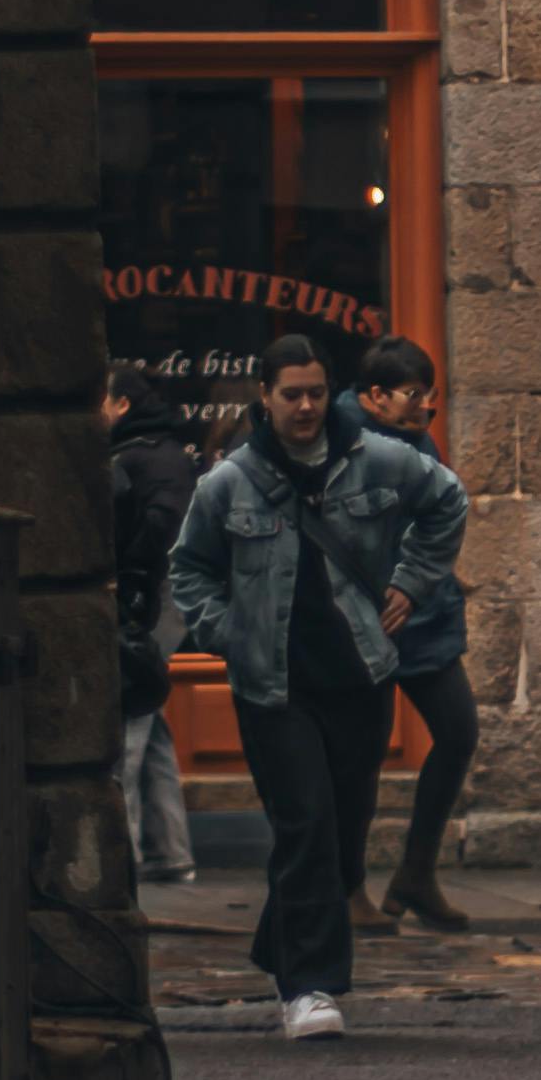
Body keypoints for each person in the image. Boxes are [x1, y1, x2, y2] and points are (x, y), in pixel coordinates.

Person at [164, 325, 465, 1042]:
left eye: (316, 393)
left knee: (342, 837)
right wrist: (226, 633)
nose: (305, 407)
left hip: (360, 672)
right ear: (264, 397)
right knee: (306, 823)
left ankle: (280, 943)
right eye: (291, 394)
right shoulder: (229, 481)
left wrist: (413, 584)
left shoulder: (379, 460)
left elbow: (447, 502)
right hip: (273, 684)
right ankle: (310, 987)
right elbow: (189, 570)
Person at [349, 332, 477, 932]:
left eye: (430, 394)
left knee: (457, 733)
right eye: (413, 394)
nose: (426, 405)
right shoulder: (340, 442)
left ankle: (416, 874)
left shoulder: (416, 438)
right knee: (361, 755)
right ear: (375, 397)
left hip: (424, 622)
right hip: (366, 624)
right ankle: (347, 889)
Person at [102, 368, 202, 891]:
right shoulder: (166, 451)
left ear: (120, 405)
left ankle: (126, 857)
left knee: (129, 730)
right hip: (174, 597)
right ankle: (171, 852)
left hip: (154, 598)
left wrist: (129, 578)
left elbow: (156, 530)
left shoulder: (135, 456)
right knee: (153, 727)